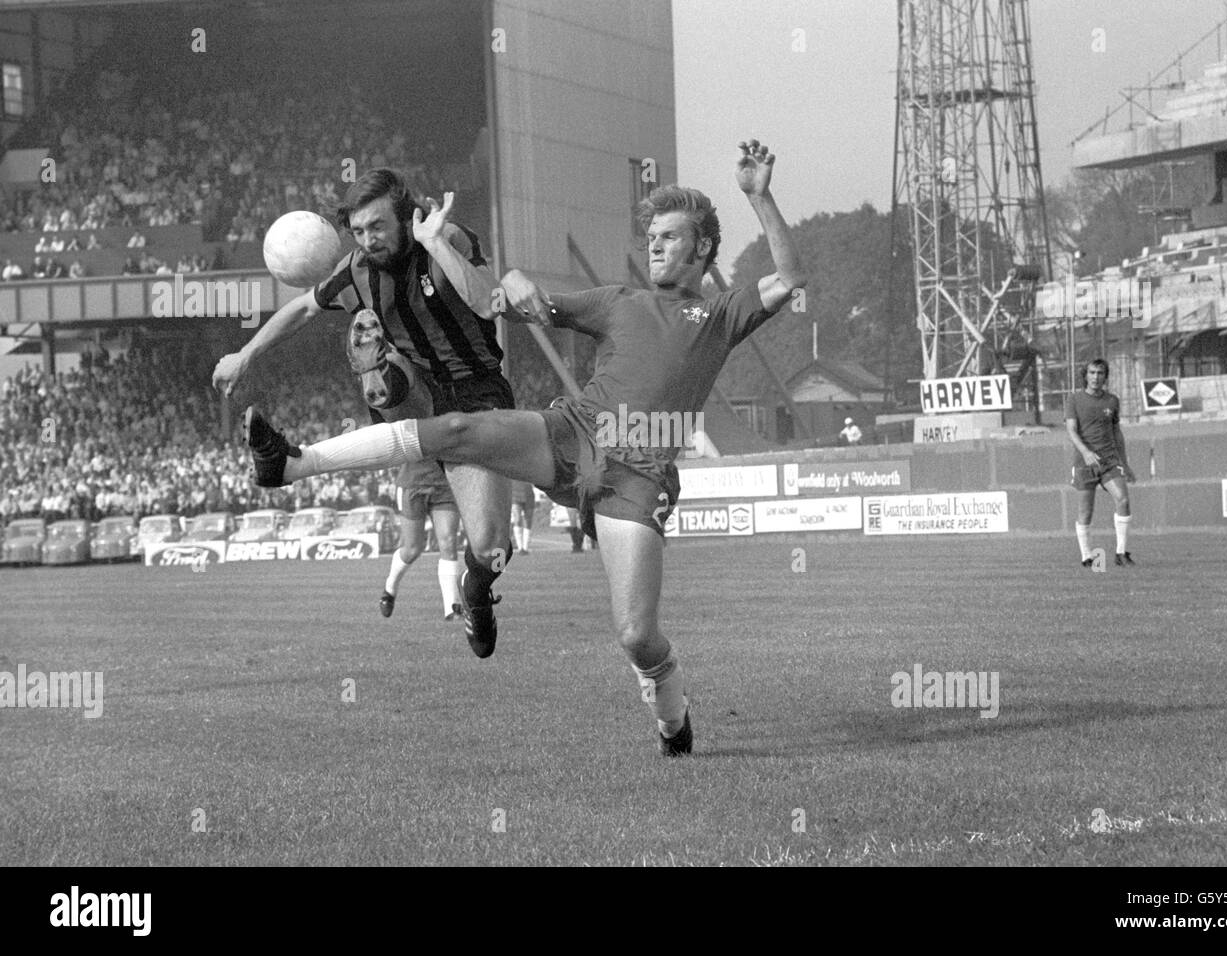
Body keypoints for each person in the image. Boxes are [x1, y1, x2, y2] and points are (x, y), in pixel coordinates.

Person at [242, 140, 805, 757]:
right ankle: (295, 462)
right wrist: (512, 283)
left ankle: (673, 721)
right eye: (652, 236)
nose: (655, 245)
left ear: (701, 247)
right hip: (572, 433)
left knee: (637, 635)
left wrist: (759, 196)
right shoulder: (619, 301)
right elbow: (512, 303)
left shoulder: (720, 312)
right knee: (458, 428)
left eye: (669, 237)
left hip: (638, 473)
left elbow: (790, 280)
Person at [214, 167, 516, 656]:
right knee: (372, 345)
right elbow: (303, 309)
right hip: (420, 387)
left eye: (377, 226)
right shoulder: (355, 270)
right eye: (358, 231)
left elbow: (488, 304)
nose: (368, 239)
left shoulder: (447, 236)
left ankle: (476, 593)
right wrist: (245, 354)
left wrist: (436, 242)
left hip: (480, 392)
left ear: (405, 217)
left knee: (490, 547)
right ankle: (303, 452)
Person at [346, 307, 464, 622]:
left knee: (448, 542)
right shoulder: (397, 376)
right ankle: (389, 590)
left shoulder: (425, 367)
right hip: (412, 478)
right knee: (410, 550)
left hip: (442, 474)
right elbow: (386, 394)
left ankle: (451, 607)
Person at [1065, 358, 1136, 567]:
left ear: (1106, 376)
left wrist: (1125, 463)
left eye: (1100, 373)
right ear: (1085, 375)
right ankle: (1087, 556)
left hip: (1109, 461)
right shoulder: (1074, 400)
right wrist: (1086, 452)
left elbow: (1117, 432)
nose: (1096, 377)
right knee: (1086, 511)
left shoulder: (1112, 401)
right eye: (1092, 373)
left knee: (1123, 499)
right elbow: (1071, 430)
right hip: (1084, 462)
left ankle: (1121, 553)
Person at [510, 479, 535, 555]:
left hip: (529, 494)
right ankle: (520, 547)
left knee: (528, 520)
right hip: (515, 495)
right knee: (517, 519)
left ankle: (525, 547)